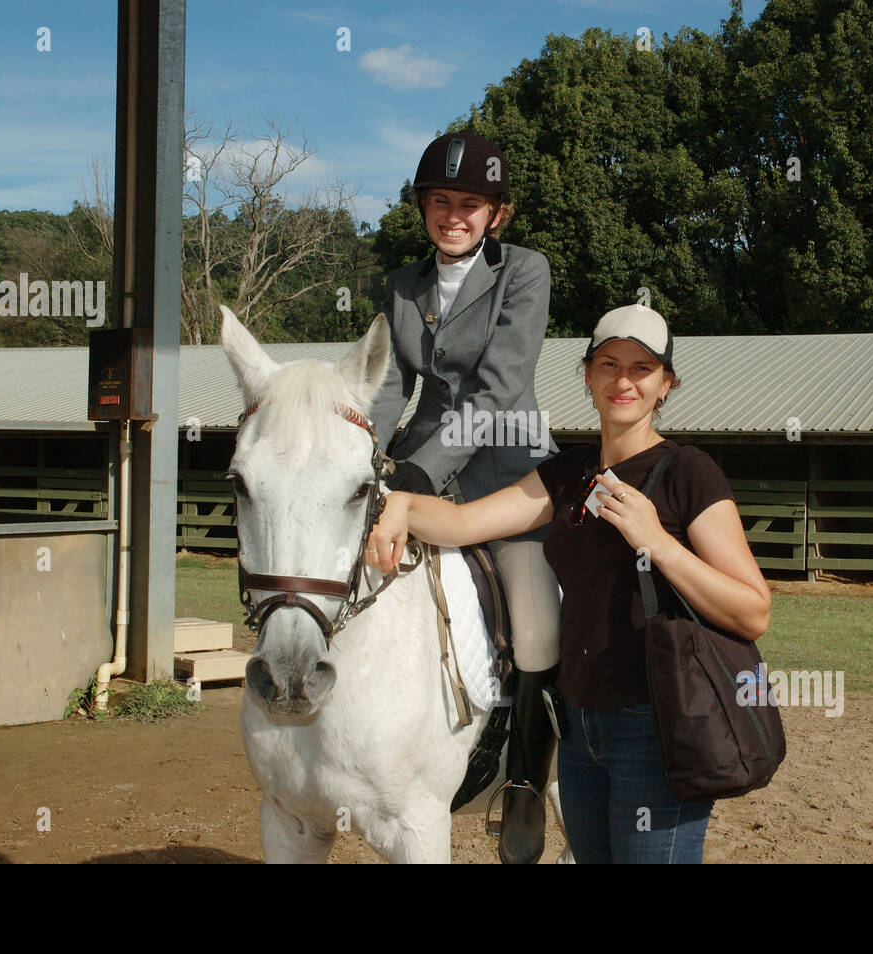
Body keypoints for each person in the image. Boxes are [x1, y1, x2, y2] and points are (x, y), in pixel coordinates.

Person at [365, 305, 772, 863]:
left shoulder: (688, 473)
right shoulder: (568, 474)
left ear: (665, 385)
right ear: (587, 375)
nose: (623, 380)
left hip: (653, 727)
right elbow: (463, 523)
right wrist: (401, 503)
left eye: (642, 368)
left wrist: (655, 539)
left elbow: (752, 612)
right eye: (608, 364)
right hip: (577, 731)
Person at [367, 130, 563, 864]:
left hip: (505, 471)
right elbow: (390, 386)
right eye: (441, 201)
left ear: (496, 214)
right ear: (423, 207)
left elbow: (501, 389)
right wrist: (372, 462)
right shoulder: (400, 282)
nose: (454, 215)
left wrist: (418, 473)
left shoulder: (525, 273)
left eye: (470, 204)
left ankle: (522, 788)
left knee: (538, 626)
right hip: (415, 465)